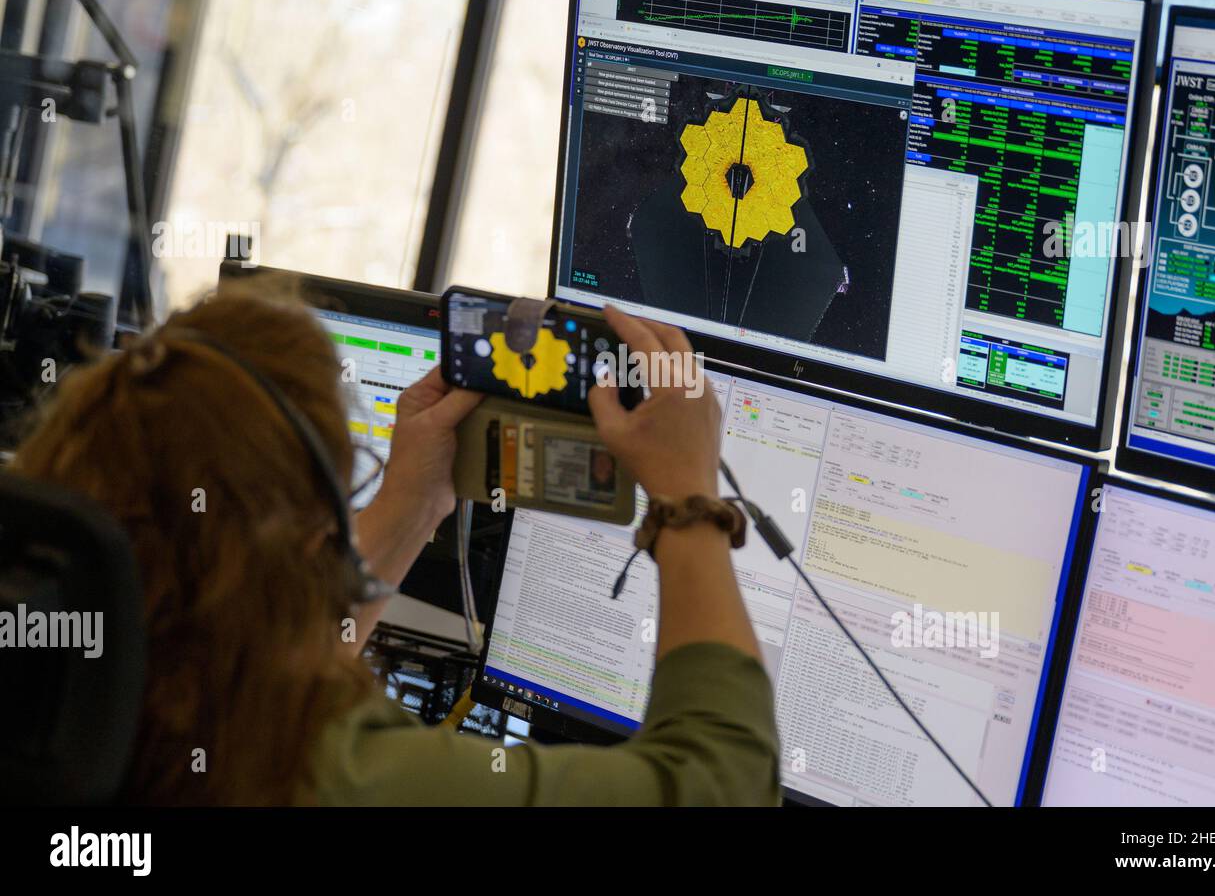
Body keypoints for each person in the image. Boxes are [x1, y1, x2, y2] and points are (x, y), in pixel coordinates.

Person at [12, 288, 780, 806]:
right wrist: (687, 500)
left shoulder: (74, 690)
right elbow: (724, 782)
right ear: (298, 543)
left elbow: (256, 658)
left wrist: (413, 507)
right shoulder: (321, 770)